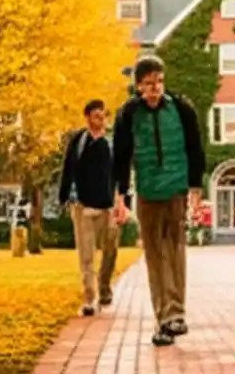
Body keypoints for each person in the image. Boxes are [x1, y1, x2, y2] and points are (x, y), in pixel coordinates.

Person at [112, 56, 206, 347]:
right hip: (149, 194)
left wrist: (195, 187)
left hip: (176, 190)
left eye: (159, 82)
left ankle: (176, 314)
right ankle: (163, 319)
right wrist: (121, 195)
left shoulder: (181, 108)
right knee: (155, 257)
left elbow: (195, 147)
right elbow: (121, 157)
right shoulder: (128, 114)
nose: (155, 88)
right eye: (149, 83)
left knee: (175, 252)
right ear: (138, 86)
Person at [58, 100, 120, 315]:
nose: (101, 120)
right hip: (82, 206)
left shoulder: (112, 142)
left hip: (107, 207)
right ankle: (89, 298)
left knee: (111, 249)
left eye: (103, 115)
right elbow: (68, 168)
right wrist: (63, 197)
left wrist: (122, 201)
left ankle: (104, 287)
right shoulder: (78, 140)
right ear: (87, 118)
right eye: (96, 116)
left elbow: (122, 173)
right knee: (86, 256)